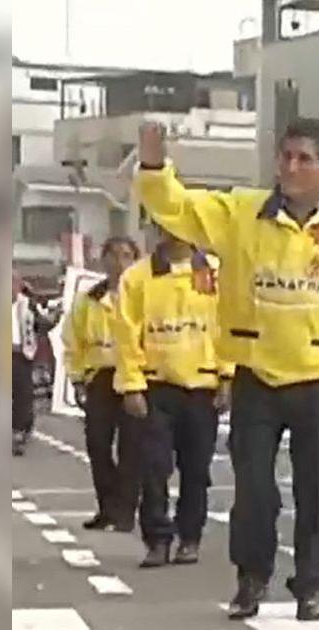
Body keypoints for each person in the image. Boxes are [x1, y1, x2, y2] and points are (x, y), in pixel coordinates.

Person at [135, 118, 319, 622]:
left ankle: (312, 584)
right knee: (253, 490)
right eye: (286, 155)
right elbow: (177, 207)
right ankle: (251, 577)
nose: (292, 167)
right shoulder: (240, 212)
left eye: (306, 159)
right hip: (256, 373)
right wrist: (152, 162)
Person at [112, 228, 232, 568]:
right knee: (153, 467)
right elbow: (126, 335)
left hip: (203, 387)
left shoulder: (215, 272)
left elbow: (228, 326)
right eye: (164, 222)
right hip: (156, 387)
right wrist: (132, 386)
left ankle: (190, 537)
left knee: (196, 469)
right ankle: (157, 540)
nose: (173, 230)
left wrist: (227, 377)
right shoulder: (137, 277)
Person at [62, 236, 142, 533]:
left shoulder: (142, 295)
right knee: (97, 444)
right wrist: (78, 378)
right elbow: (73, 340)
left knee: (132, 447)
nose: (118, 262)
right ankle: (107, 507)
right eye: (113, 255)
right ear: (103, 260)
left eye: (125, 255)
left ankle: (125, 510)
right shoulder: (89, 299)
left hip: (134, 377)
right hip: (100, 376)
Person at [12, 272, 38, 456]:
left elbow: (42, 323)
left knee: (23, 395)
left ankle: (20, 432)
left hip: (21, 354)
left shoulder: (28, 304)